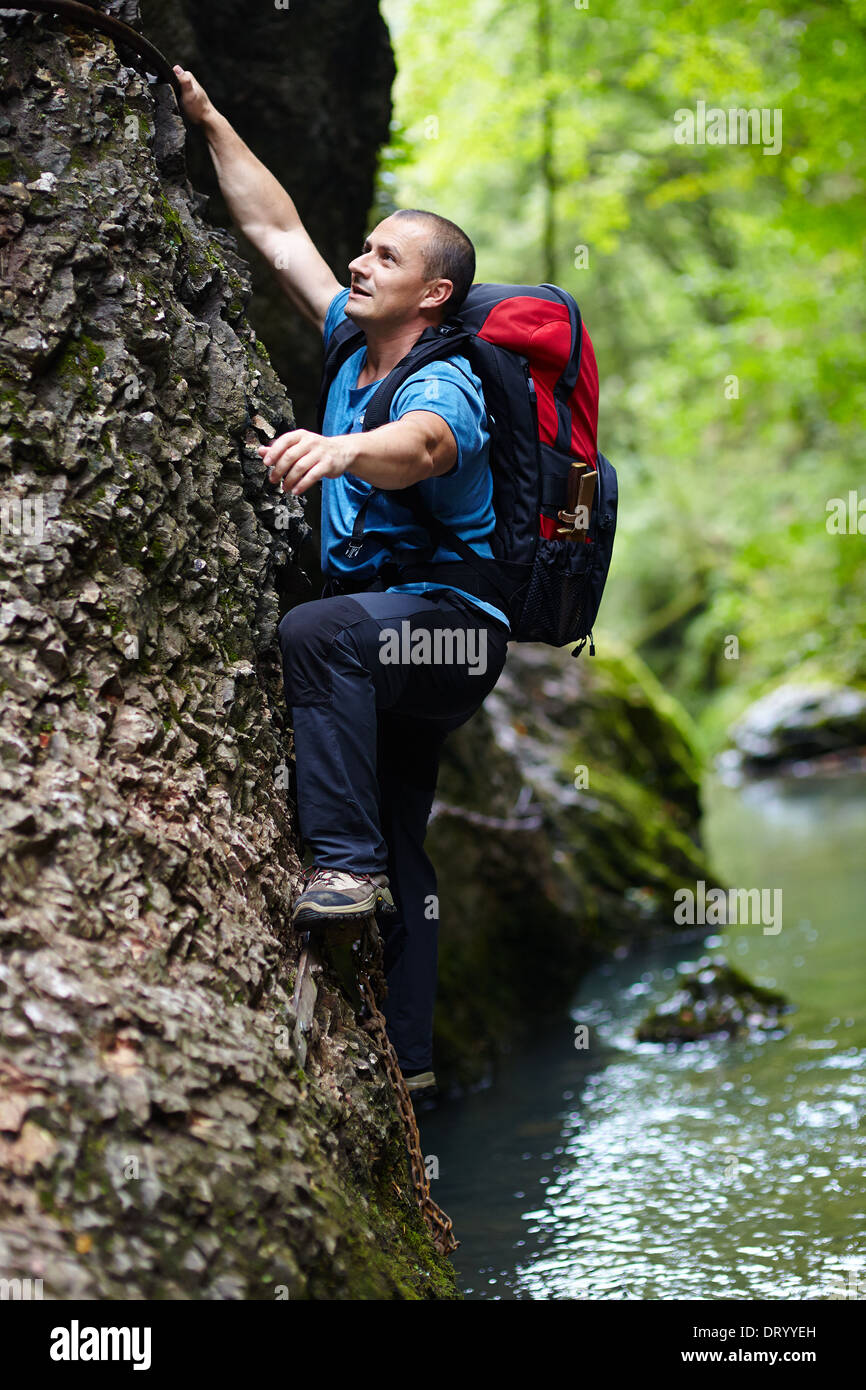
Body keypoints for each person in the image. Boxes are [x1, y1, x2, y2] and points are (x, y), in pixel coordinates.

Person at [174, 65, 510, 1090]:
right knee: (401, 820)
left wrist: (338, 450)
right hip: (391, 638)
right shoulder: (349, 342)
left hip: (451, 632)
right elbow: (278, 236)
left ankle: (341, 870)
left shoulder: (444, 372)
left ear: (435, 292)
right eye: (364, 249)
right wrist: (209, 119)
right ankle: (408, 1062)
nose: (358, 264)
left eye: (384, 256)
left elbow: (420, 448)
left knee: (316, 633)